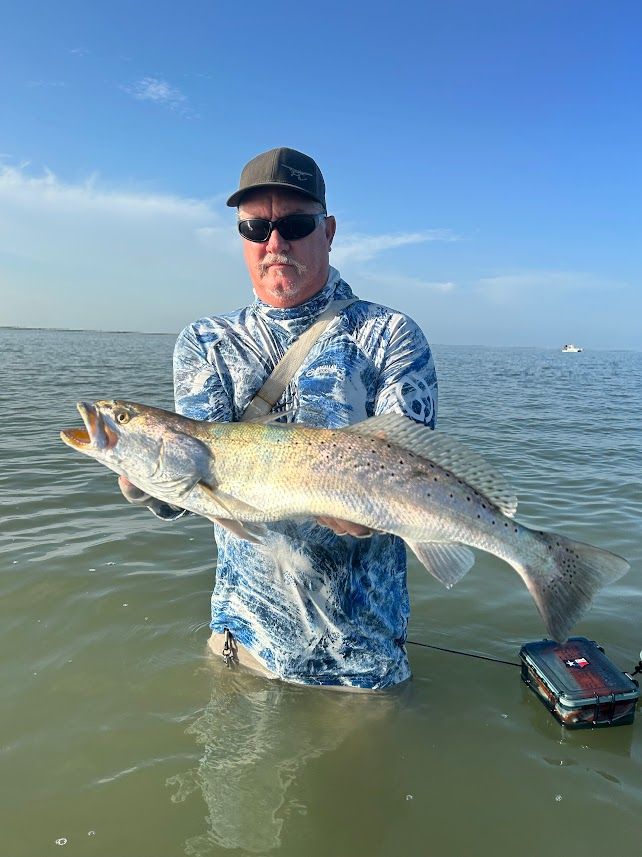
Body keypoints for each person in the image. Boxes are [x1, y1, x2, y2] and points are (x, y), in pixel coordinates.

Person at [120, 147, 438, 690]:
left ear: (328, 231)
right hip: (240, 647)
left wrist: (373, 511)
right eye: (255, 228)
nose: (275, 243)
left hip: (363, 666)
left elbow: (416, 470)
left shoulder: (390, 335)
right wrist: (152, 487)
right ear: (241, 236)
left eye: (294, 224)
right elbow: (199, 487)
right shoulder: (207, 342)